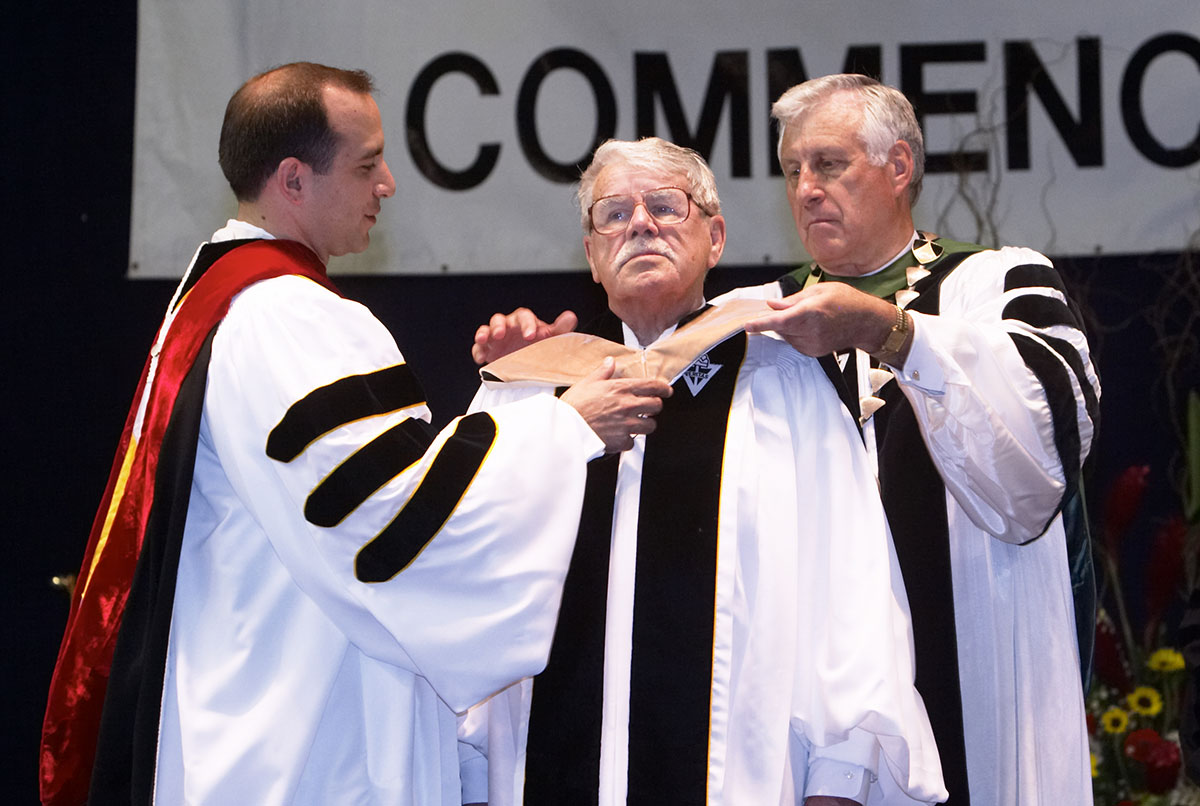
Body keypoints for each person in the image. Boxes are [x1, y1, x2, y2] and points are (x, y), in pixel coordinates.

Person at [39, 62, 671, 806]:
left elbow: (372, 496)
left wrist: (521, 393)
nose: (388, 185)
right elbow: (393, 527)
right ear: (293, 179)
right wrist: (564, 428)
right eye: (367, 164)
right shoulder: (289, 316)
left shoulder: (226, 303)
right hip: (304, 754)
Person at [472, 75, 1101, 804]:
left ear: (900, 166)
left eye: (828, 164)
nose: (805, 189)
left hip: (968, 658)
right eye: (792, 170)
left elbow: (1041, 459)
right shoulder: (753, 329)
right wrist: (547, 374)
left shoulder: (993, 282)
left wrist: (888, 331)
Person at [460, 137, 946, 805]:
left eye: (665, 206)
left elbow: (847, 585)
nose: (640, 224)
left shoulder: (785, 380)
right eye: (614, 213)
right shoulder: (527, 392)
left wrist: (840, 775)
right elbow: (470, 592)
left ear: (715, 238)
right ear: (591, 256)